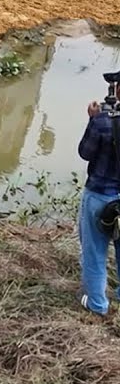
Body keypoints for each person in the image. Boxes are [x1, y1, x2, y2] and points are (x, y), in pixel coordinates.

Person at [78, 98, 119, 315]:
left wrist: (92, 119)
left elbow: (85, 152)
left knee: (94, 251)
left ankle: (97, 304)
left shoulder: (103, 120)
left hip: (101, 195)